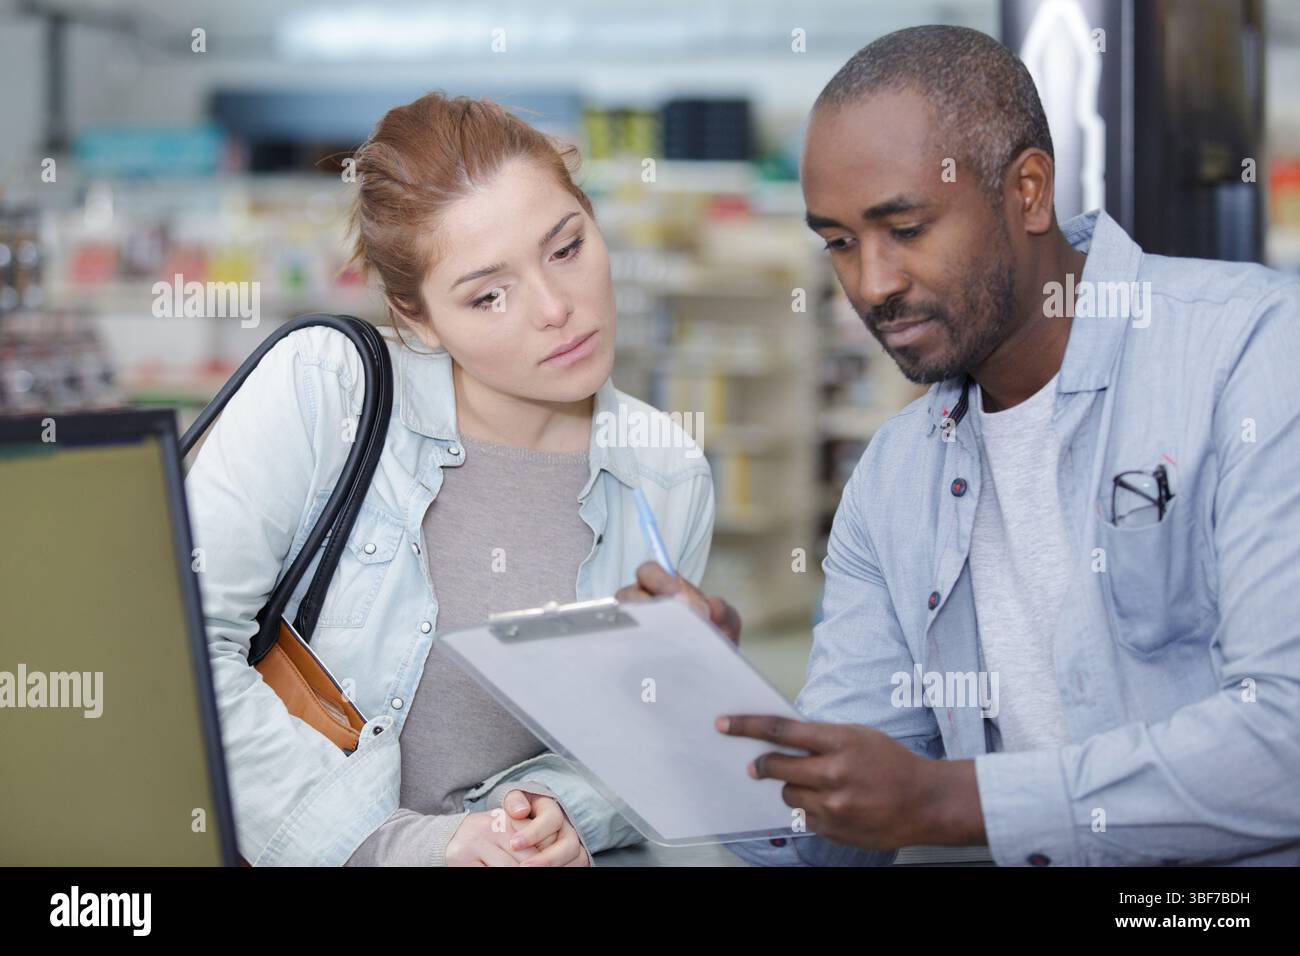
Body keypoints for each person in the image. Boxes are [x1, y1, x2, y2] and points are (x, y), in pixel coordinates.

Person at [621, 25, 1300, 866]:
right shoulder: (895, 477)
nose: (872, 284)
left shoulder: (1252, 353)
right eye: (838, 243)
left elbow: (1286, 743)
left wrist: (951, 801)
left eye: (904, 228)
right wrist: (704, 702)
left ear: (1027, 191)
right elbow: (823, 846)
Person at [185, 92, 715, 866]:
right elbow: (182, 652)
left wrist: (571, 812)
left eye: (566, 248)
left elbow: (639, 733)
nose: (556, 309)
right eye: (488, 294)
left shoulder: (665, 471)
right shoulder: (325, 389)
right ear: (418, 316)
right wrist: (393, 846)